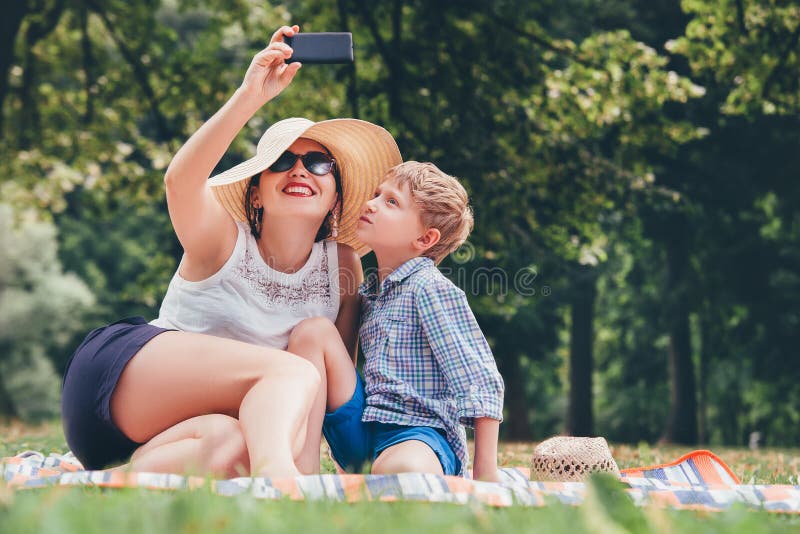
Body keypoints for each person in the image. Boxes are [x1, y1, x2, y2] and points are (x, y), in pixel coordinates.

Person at [60, 25, 402, 478]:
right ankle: (281, 487)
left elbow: (318, 393)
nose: (299, 169)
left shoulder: (342, 265)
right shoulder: (223, 239)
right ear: (256, 193)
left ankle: (113, 478)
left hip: (167, 438)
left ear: (336, 197)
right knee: (291, 375)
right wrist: (250, 96)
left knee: (235, 443)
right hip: (122, 385)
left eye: (318, 163)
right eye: (281, 161)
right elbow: (180, 183)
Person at [291, 161, 504, 481]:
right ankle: (302, 469)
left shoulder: (430, 288)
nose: (372, 204)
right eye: (377, 194)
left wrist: (485, 471)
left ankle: (400, 471)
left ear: (424, 239)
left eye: (391, 202)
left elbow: (480, 379)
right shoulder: (369, 293)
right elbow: (340, 366)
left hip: (419, 433)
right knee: (313, 332)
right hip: (364, 430)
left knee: (401, 470)